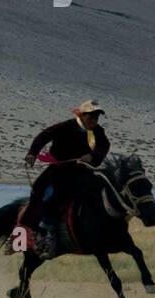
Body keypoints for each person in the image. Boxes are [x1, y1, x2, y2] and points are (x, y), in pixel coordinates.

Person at [20, 100, 110, 248]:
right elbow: (44, 136)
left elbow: (103, 146)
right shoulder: (66, 126)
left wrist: (93, 156)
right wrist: (32, 153)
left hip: (82, 170)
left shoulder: (98, 131)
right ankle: (43, 226)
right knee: (43, 189)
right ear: (82, 116)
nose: (94, 121)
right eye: (91, 117)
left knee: (99, 189)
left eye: (96, 117)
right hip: (60, 169)